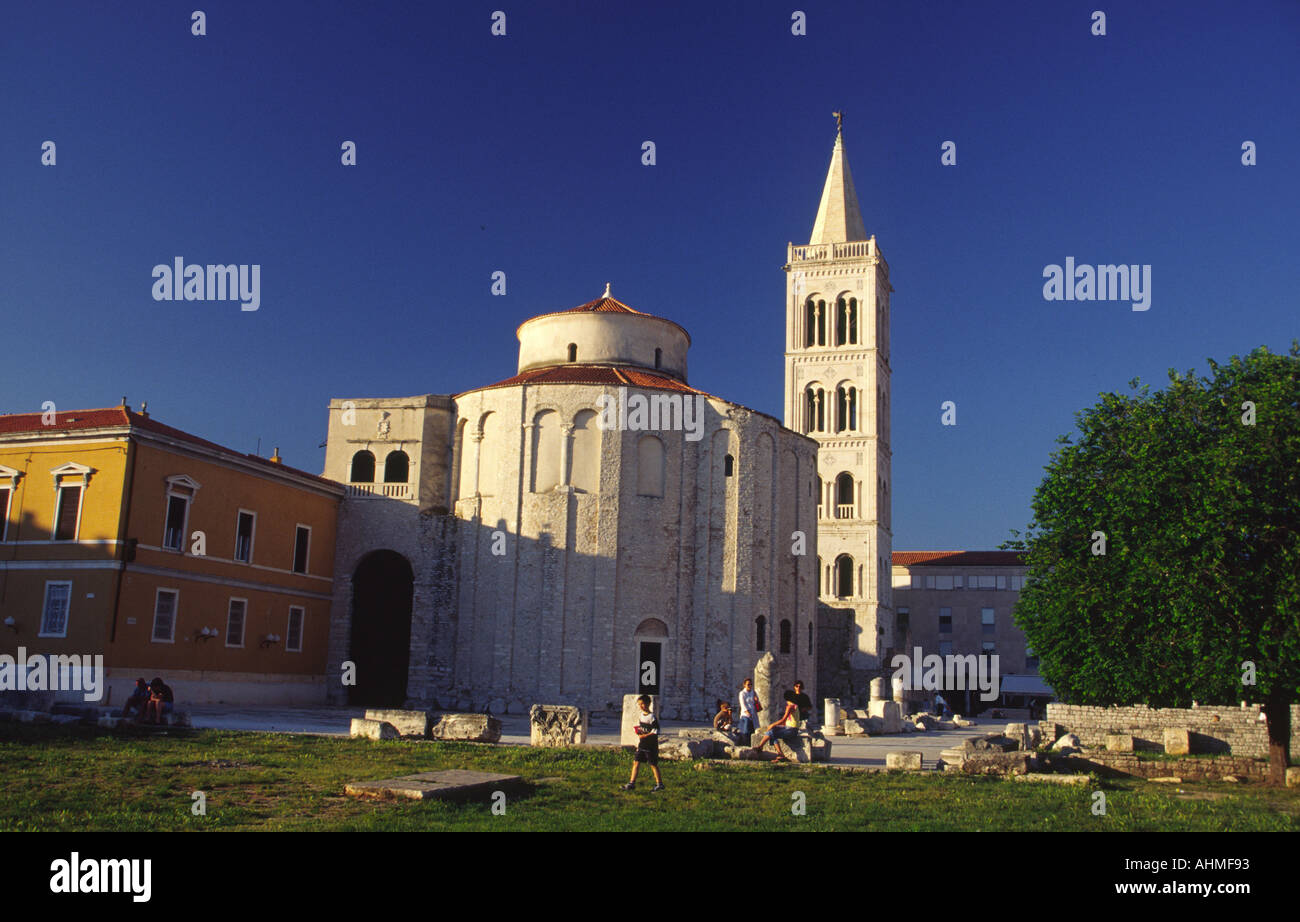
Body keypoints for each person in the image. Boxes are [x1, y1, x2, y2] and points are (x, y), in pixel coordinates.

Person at [622, 694, 665, 792]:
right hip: (642, 744)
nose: (641, 706)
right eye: (639, 704)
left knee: (653, 764)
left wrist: (645, 735)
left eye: (643, 704)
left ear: (648, 704)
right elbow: (642, 727)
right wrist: (638, 731)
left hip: (650, 745)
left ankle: (660, 784)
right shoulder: (641, 716)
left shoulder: (652, 717)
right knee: (636, 762)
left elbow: (656, 731)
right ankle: (631, 783)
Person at [752, 691, 802, 761]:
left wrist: (772, 725)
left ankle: (761, 747)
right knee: (772, 732)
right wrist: (776, 727)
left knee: (771, 731)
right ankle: (778, 754)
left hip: (791, 730)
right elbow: (786, 723)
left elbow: (783, 720)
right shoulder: (796, 706)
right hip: (792, 729)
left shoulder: (790, 707)